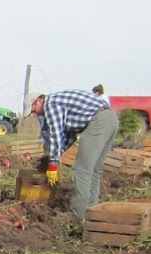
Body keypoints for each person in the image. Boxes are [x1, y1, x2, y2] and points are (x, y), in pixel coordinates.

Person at [29, 89, 122, 218]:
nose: (34, 113)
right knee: (94, 169)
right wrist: (58, 153)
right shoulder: (61, 102)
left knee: (82, 169)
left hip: (98, 121)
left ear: (39, 100)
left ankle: (77, 214)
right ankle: (91, 210)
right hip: (111, 119)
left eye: (33, 108)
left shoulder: (50, 104)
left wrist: (53, 165)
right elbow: (70, 134)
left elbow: (56, 135)